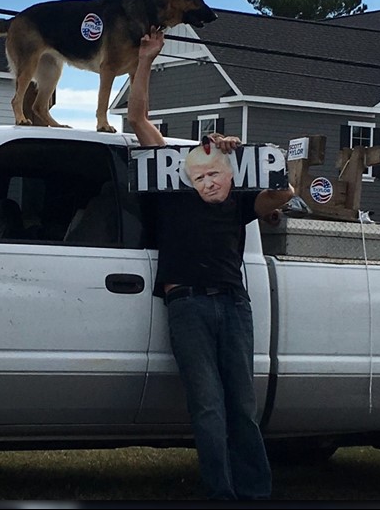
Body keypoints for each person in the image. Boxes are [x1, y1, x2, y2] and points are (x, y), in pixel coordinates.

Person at [128, 27, 293, 501]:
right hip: (187, 304)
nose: (209, 173)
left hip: (234, 304)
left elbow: (281, 193)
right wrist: (146, 59)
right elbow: (137, 117)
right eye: (201, 165)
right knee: (207, 407)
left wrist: (251, 153)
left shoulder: (237, 197)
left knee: (242, 406)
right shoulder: (170, 186)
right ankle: (220, 495)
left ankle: (255, 494)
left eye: (217, 167)